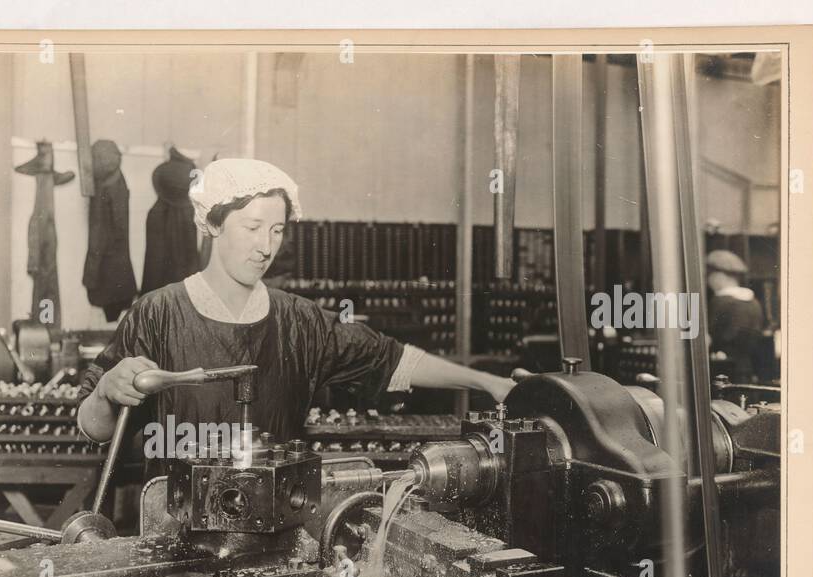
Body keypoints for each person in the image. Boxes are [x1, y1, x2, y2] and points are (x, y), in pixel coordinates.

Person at [76, 159, 514, 455]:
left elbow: (393, 360)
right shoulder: (157, 313)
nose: (266, 247)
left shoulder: (299, 320)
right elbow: (94, 430)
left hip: (273, 530)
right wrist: (106, 391)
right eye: (252, 227)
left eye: (277, 230)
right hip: (178, 528)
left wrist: (487, 382)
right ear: (211, 223)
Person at [705, 249, 766, 383]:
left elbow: (707, 339)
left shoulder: (720, 302)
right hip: (747, 371)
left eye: (709, 276)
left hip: (721, 373)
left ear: (719, 276)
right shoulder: (754, 302)